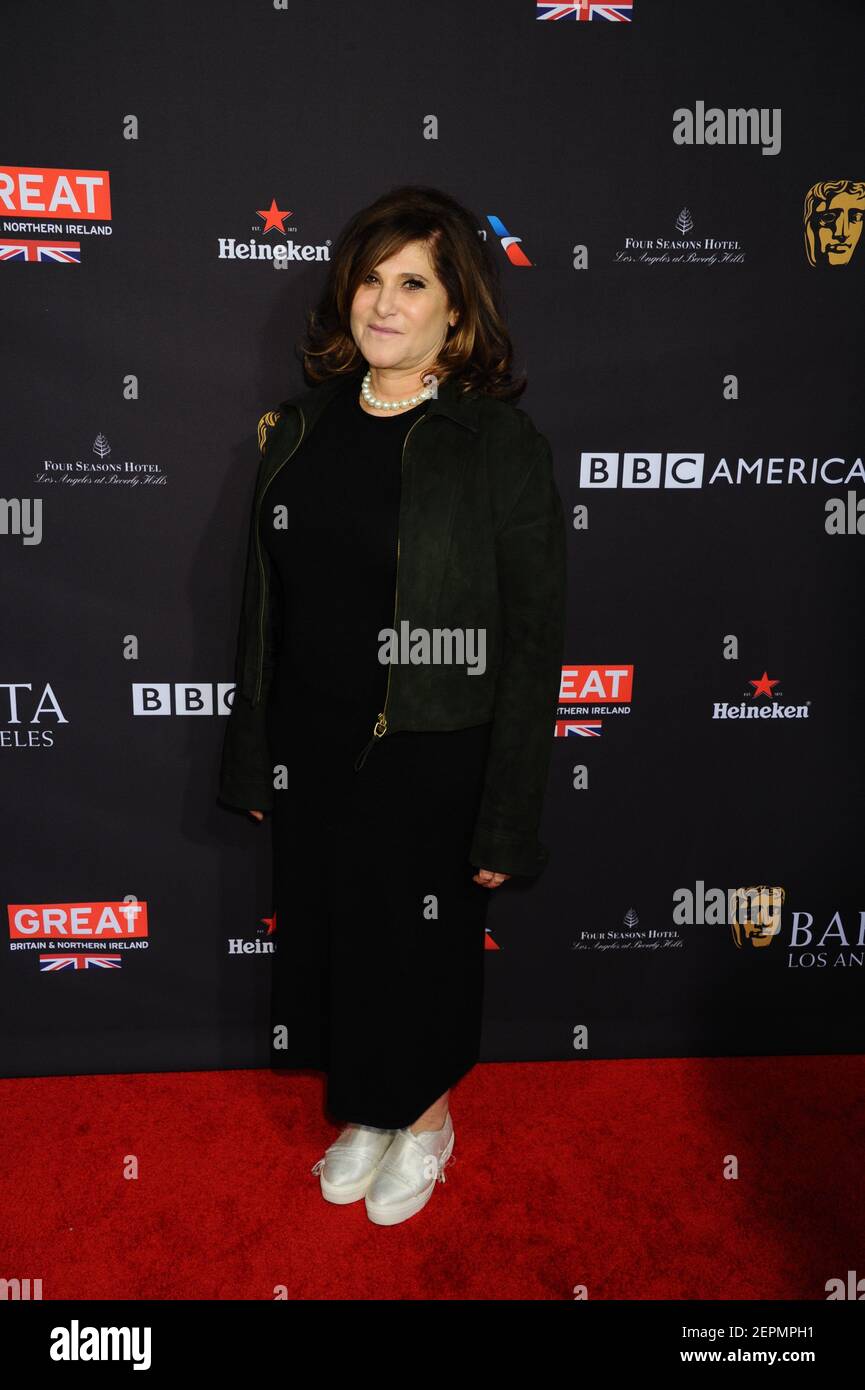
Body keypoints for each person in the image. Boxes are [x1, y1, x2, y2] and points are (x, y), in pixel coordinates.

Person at [218, 184, 567, 1227]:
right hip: (315, 739)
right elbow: (264, 608)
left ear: (457, 310)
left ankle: (424, 1120)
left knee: (416, 946)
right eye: (369, 280)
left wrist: (507, 809)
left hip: (431, 743)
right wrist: (254, 752)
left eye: (411, 283)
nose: (383, 303)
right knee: (336, 937)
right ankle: (367, 1111)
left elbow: (535, 639)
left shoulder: (497, 444)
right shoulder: (302, 428)